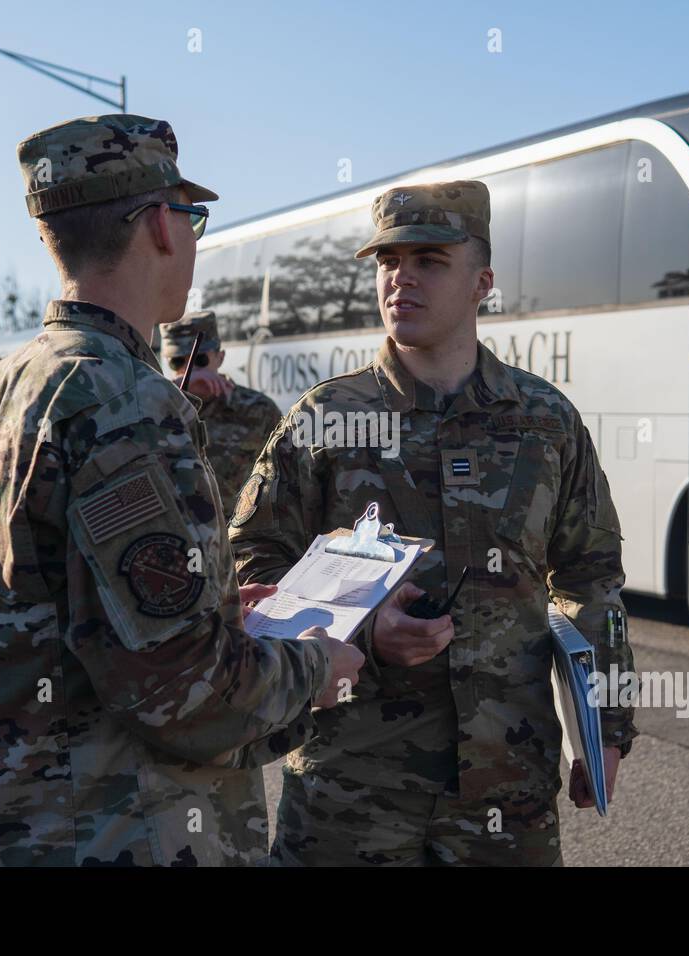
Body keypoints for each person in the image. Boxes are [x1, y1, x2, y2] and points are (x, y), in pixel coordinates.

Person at [0, 113, 362, 867]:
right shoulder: (121, 400)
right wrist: (320, 666)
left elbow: (55, 617)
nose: (191, 237)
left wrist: (220, 606)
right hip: (120, 836)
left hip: (4, 832)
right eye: (192, 216)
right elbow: (187, 695)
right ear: (161, 223)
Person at [230, 180, 637, 866]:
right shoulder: (325, 420)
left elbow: (592, 576)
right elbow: (252, 565)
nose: (400, 279)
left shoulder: (544, 422)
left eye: (428, 261)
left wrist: (610, 727)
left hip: (508, 786)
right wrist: (358, 622)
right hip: (350, 787)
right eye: (388, 261)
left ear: (482, 283)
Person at [161, 310, 283, 519]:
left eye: (199, 360)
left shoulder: (258, 410)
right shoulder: (157, 407)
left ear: (220, 357)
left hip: (239, 541)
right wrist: (174, 393)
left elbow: (286, 482)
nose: (189, 371)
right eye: (177, 362)